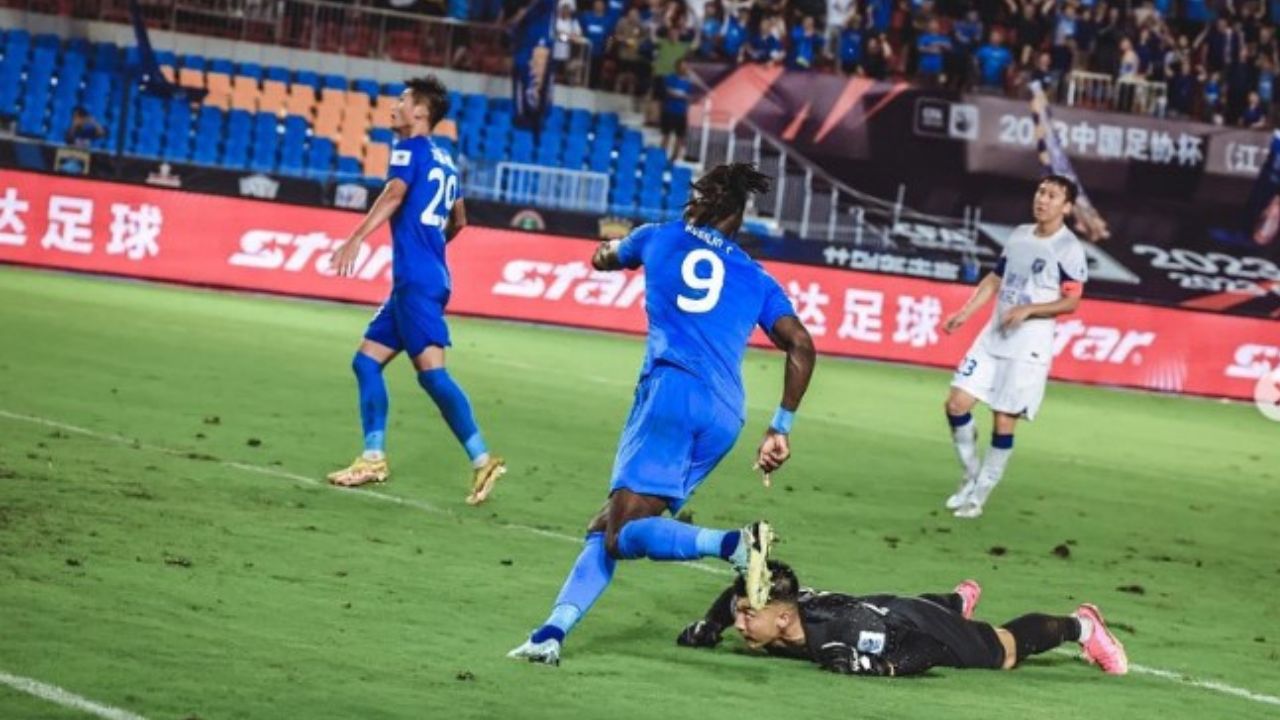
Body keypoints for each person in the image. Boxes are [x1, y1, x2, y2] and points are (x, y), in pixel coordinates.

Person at [507, 163, 817, 666]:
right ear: (739, 219)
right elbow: (801, 344)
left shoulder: (660, 237)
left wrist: (613, 249)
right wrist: (781, 426)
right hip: (724, 415)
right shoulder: (757, 278)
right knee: (607, 525)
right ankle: (551, 632)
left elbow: (602, 257)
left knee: (624, 534)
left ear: (697, 204)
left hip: (671, 394)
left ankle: (734, 544)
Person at [326, 77, 506, 504]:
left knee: (432, 375)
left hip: (415, 281)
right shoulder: (446, 160)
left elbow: (394, 192)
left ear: (421, 112)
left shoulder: (409, 148)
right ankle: (373, 457)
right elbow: (459, 221)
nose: (395, 106)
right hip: (425, 277)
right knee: (365, 362)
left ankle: (483, 460)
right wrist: (429, 248)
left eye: (403, 100)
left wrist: (356, 236)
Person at [676, 560, 1129, 677]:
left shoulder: (843, 631)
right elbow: (738, 592)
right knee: (903, 608)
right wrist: (711, 624)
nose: (740, 624)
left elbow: (925, 652)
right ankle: (954, 601)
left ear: (780, 619)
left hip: (910, 626)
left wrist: (877, 666)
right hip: (883, 606)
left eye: (746, 617)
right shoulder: (781, 606)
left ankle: (1082, 626)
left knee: (1003, 651)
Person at [940, 174, 1087, 519]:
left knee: (1003, 421)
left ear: (1066, 207)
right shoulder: (1020, 234)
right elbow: (995, 279)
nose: (1043, 199)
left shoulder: (1069, 248)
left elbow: (1071, 302)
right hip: (993, 339)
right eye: (1040, 192)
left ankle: (979, 496)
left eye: (1052, 195)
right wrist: (965, 313)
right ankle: (970, 474)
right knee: (956, 404)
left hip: (1028, 349)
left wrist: (1030, 309)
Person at [660, 57, 693, 161]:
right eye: (682, 66)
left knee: (680, 137)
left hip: (681, 113)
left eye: (685, 66)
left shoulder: (689, 82)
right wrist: (681, 95)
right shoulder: (670, 78)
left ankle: (673, 160)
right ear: (677, 67)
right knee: (666, 135)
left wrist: (680, 95)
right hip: (669, 111)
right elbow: (669, 92)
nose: (684, 68)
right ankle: (661, 157)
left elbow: (690, 97)